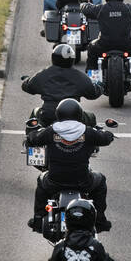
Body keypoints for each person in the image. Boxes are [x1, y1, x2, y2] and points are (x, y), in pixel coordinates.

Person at [27, 98, 115, 231]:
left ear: (58, 114)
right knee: (101, 180)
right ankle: (100, 220)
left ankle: (38, 220)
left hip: (54, 181)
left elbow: (34, 139)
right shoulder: (88, 132)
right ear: (79, 114)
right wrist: (108, 133)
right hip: (83, 181)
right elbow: (106, 139)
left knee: (41, 180)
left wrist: (33, 131)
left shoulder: (51, 131)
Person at [82, 0, 131, 85]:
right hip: (126, 44)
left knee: (91, 47)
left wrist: (84, 3)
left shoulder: (101, 8)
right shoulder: (129, 8)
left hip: (104, 45)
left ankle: (92, 78)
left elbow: (87, 9)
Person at [21, 42, 103, 123]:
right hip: (74, 116)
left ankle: (32, 135)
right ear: (72, 59)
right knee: (91, 117)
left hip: (48, 116)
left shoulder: (44, 74)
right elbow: (93, 94)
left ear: (53, 58)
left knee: (34, 115)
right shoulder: (80, 77)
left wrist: (27, 80)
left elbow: (28, 87)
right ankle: (88, 136)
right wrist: (99, 86)